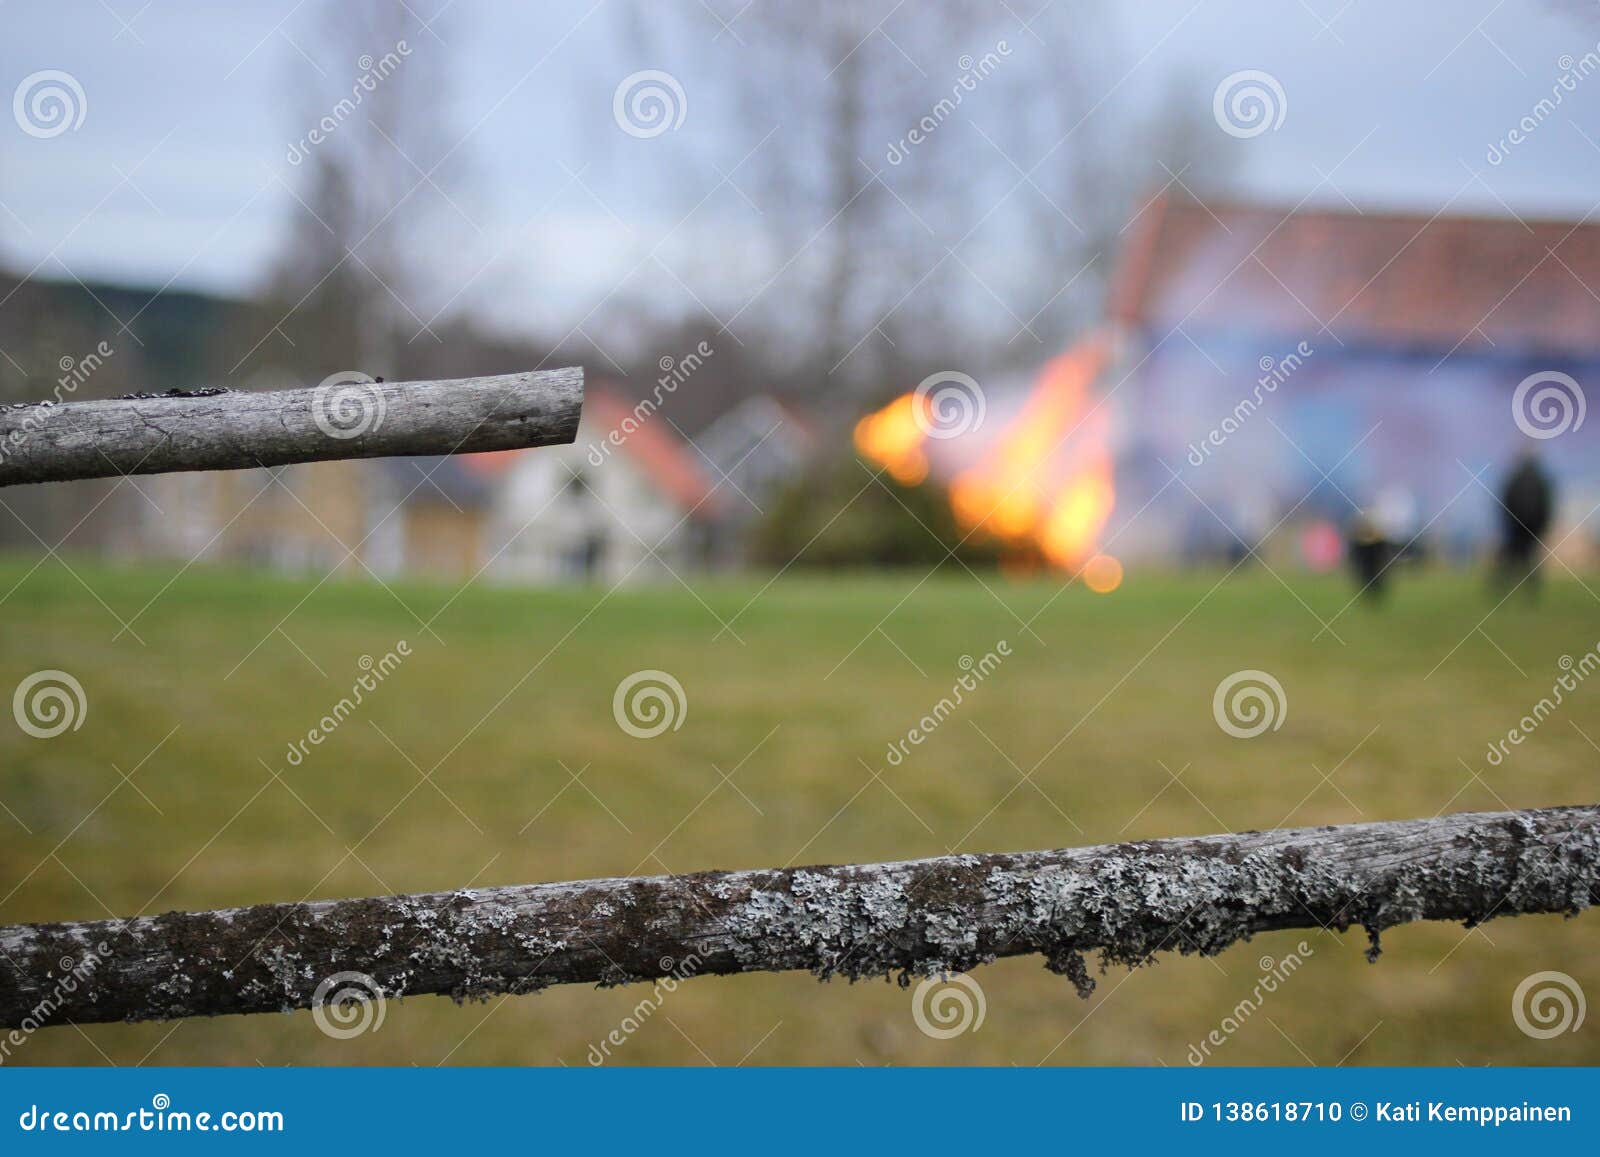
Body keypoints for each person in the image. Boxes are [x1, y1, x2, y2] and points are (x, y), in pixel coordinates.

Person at [1495, 449, 1555, 599]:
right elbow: (1546, 505)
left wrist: (1508, 523)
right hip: (1533, 526)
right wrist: (1543, 525)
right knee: (1529, 557)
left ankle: (1502, 588)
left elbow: (1505, 502)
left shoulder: (1514, 478)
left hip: (1515, 526)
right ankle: (1531, 591)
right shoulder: (1540, 480)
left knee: (1511, 557)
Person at [1346, 510, 1392, 603]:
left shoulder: (1378, 540)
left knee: (1375, 578)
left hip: (1374, 565)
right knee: (1366, 577)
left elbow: (1383, 554)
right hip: (1366, 565)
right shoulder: (1358, 539)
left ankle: (1376, 594)